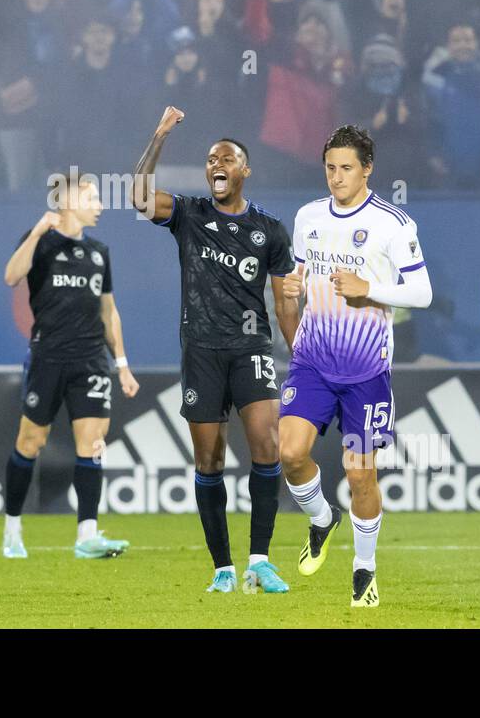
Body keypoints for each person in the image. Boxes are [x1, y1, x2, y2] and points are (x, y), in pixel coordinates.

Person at [132, 106, 299, 594]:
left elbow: (287, 301)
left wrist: (304, 355)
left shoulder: (270, 230)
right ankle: (223, 568)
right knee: (209, 461)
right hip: (201, 352)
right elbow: (139, 197)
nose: (215, 164)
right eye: (210, 160)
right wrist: (159, 134)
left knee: (266, 447)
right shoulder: (189, 213)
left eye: (226, 159)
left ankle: (260, 562)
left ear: (244, 171)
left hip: (251, 348)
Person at [279, 125, 433, 608]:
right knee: (289, 453)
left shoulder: (393, 224)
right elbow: (299, 276)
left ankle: (364, 568)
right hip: (312, 359)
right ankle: (323, 517)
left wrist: (369, 288)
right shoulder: (307, 217)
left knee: (360, 474)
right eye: (329, 167)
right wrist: (289, 289)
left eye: (346, 168)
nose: (336, 177)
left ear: (368, 168)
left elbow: (422, 293)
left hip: (366, 370)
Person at [1, 175, 140, 560]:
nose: (99, 204)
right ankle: (12, 528)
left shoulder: (99, 252)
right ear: (67, 202)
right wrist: (36, 234)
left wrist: (123, 364)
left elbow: (109, 311)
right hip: (48, 357)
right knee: (31, 443)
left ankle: (87, 536)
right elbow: (11, 276)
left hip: (92, 360)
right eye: (91, 197)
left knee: (93, 445)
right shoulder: (41, 242)